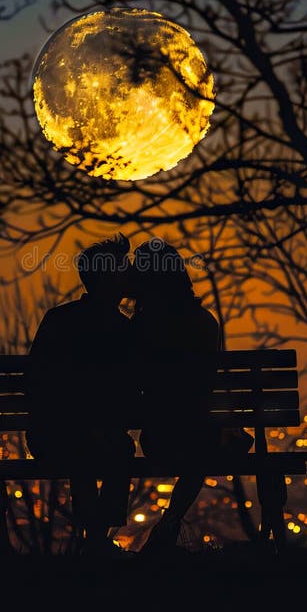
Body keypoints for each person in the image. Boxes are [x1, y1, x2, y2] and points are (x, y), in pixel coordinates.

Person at [131, 238, 252, 556]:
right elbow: (205, 386)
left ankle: (168, 525)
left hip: (159, 437)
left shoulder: (142, 325)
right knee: (206, 445)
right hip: (200, 434)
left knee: (200, 442)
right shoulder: (204, 322)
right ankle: (170, 520)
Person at [25, 233, 136, 556]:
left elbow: (36, 379)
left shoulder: (60, 320)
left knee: (100, 446)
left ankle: (95, 538)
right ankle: (97, 538)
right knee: (112, 448)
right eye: (123, 269)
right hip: (73, 436)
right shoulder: (122, 329)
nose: (129, 275)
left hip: (52, 436)